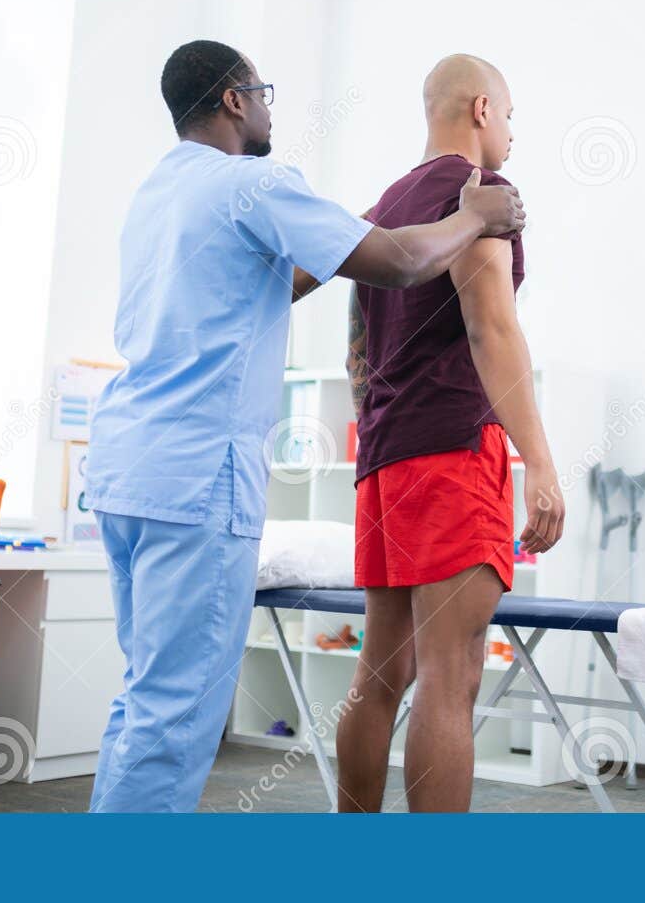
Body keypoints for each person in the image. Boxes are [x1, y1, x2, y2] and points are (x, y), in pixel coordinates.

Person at [84, 40, 526, 813]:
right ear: (233, 99)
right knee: (183, 712)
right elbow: (406, 269)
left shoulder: (159, 194)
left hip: (128, 469)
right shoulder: (256, 182)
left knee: (146, 698)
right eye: (263, 93)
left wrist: (349, 227)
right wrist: (473, 216)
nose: (268, 109)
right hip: (203, 474)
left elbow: (281, 279)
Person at [336, 53, 565, 813]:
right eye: (510, 114)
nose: (512, 133)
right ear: (479, 109)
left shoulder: (386, 202)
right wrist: (541, 461)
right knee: (450, 671)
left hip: (383, 459)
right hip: (450, 452)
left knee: (379, 673)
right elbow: (492, 326)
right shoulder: (482, 195)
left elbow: (356, 354)